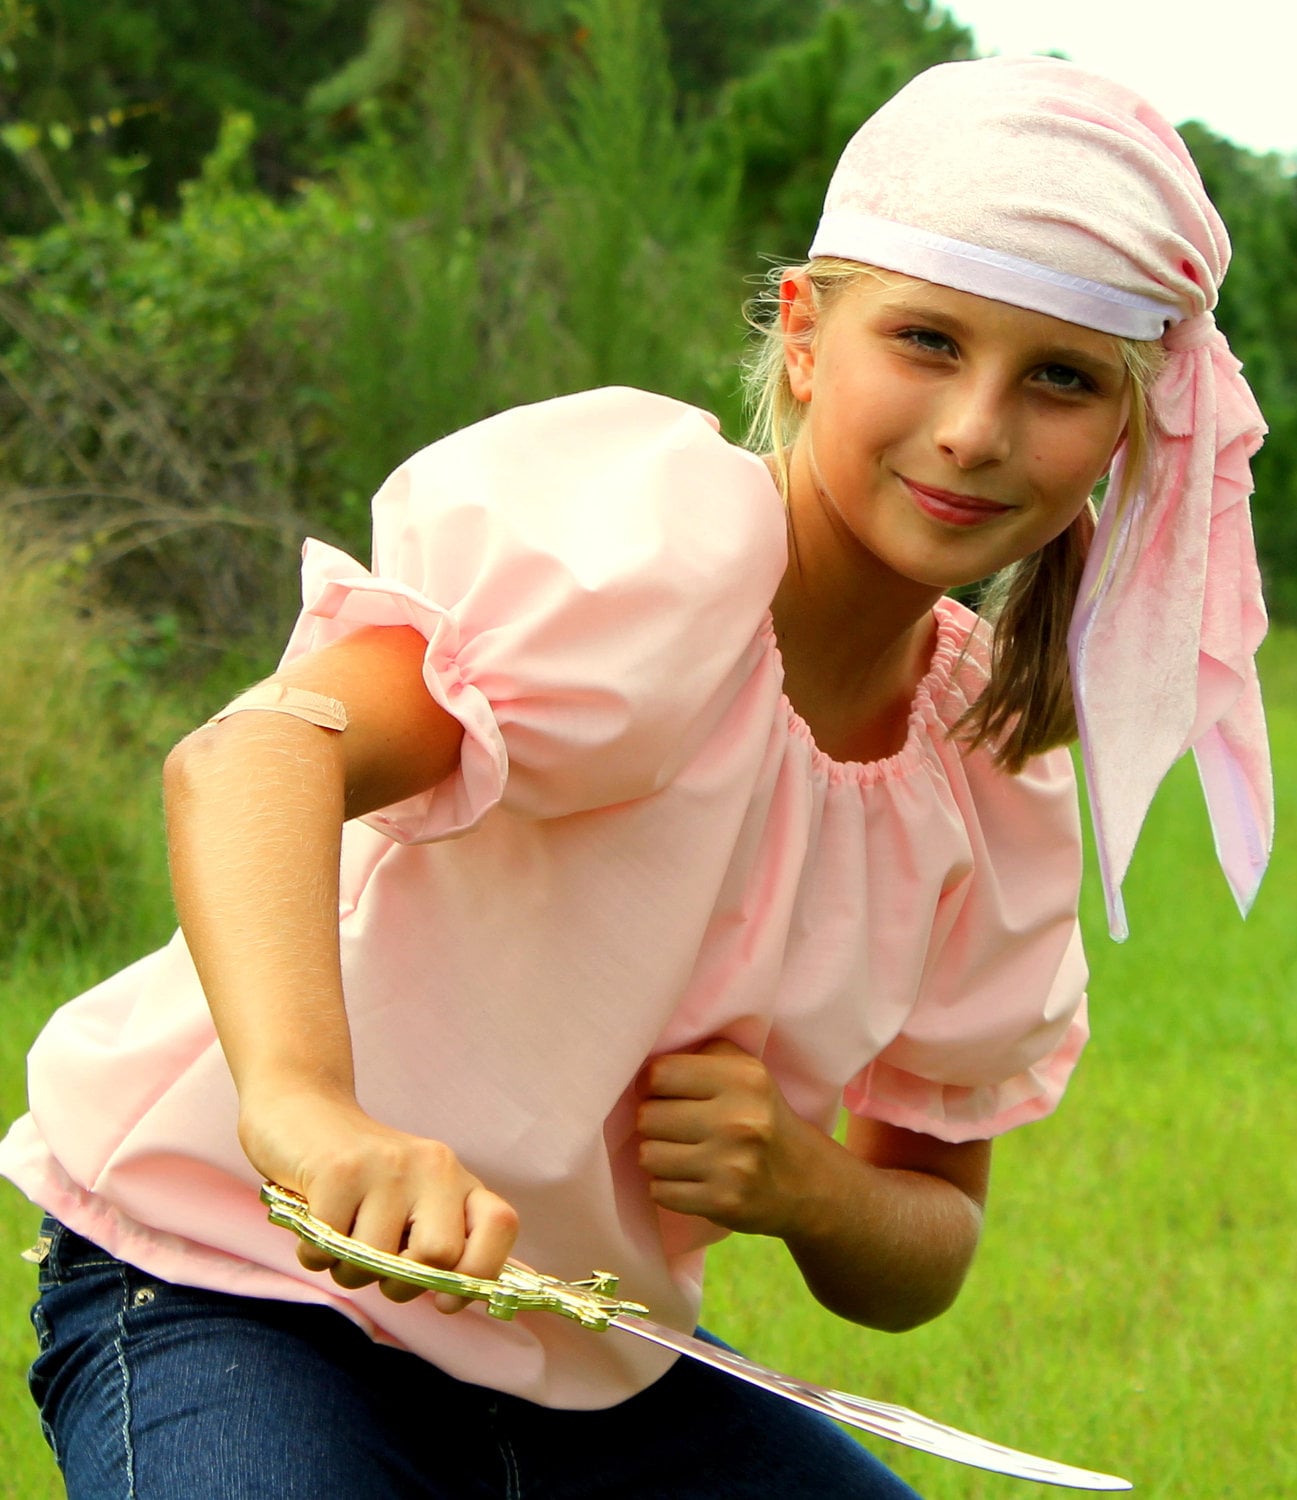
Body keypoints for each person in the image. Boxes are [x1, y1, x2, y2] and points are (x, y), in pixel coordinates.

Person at [0, 54, 1271, 1500]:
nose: (976, 429)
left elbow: (928, 1241)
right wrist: (306, 1107)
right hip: (239, 1282)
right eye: (926, 340)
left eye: (1059, 378)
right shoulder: (652, 564)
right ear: (806, 336)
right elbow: (254, 757)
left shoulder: (987, 768)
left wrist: (809, 1186)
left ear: (1124, 431)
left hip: (581, 1357)